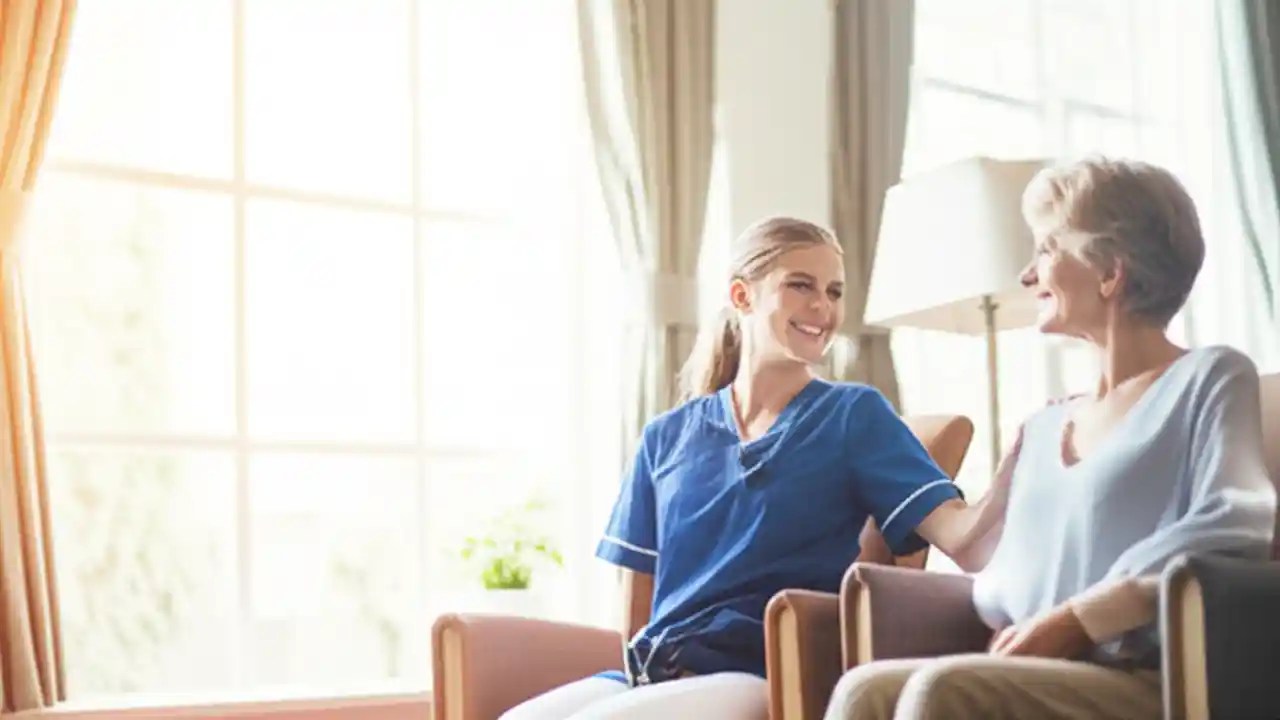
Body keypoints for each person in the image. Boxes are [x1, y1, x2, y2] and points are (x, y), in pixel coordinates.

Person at [824, 157, 1278, 720]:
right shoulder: (1043, 428)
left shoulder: (1208, 378)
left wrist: (1080, 618)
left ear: (1111, 271)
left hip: (1148, 677)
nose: (1027, 275)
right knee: (864, 690)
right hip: (1041, 672)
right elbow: (1000, 577)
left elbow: (1237, 518)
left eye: (1046, 248)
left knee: (945, 690)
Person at [500, 217, 998, 720]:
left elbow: (961, 537)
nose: (822, 307)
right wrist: (639, 690)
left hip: (755, 674)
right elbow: (636, 611)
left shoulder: (855, 416)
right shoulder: (664, 437)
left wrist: (1023, 463)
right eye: (800, 286)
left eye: (833, 291)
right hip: (652, 676)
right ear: (742, 296)